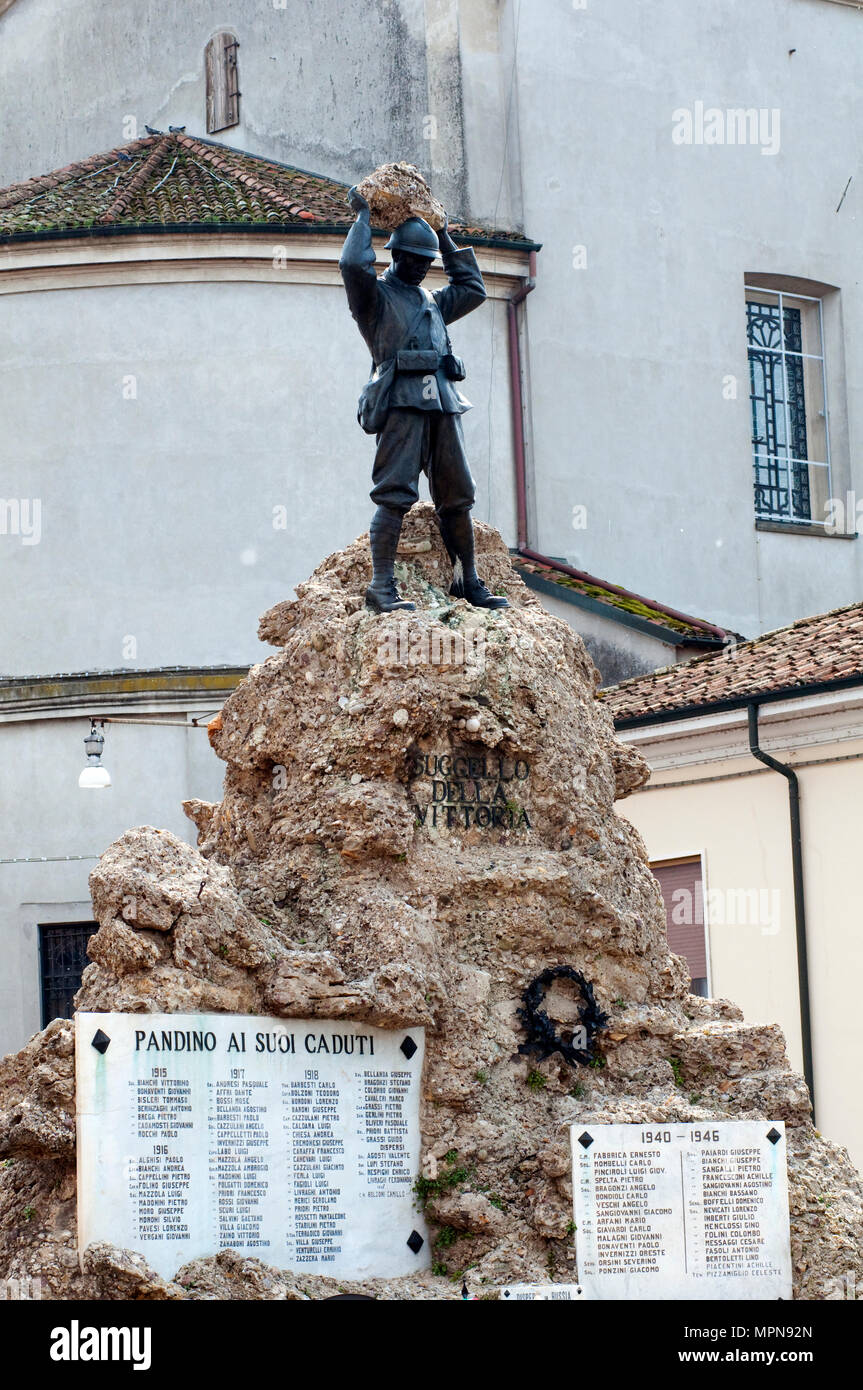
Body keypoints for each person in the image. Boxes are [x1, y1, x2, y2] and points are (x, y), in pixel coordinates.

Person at [339, 184, 509, 613]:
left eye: (426, 262)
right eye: (414, 259)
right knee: (394, 493)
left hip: (443, 403)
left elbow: (472, 288)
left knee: (458, 495)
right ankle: (381, 587)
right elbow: (352, 265)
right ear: (396, 255)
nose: (420, 268)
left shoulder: (432, 299)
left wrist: (445, 235)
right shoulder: (374, 299)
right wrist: (362, 217)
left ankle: (468, 580)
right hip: (401, 402)